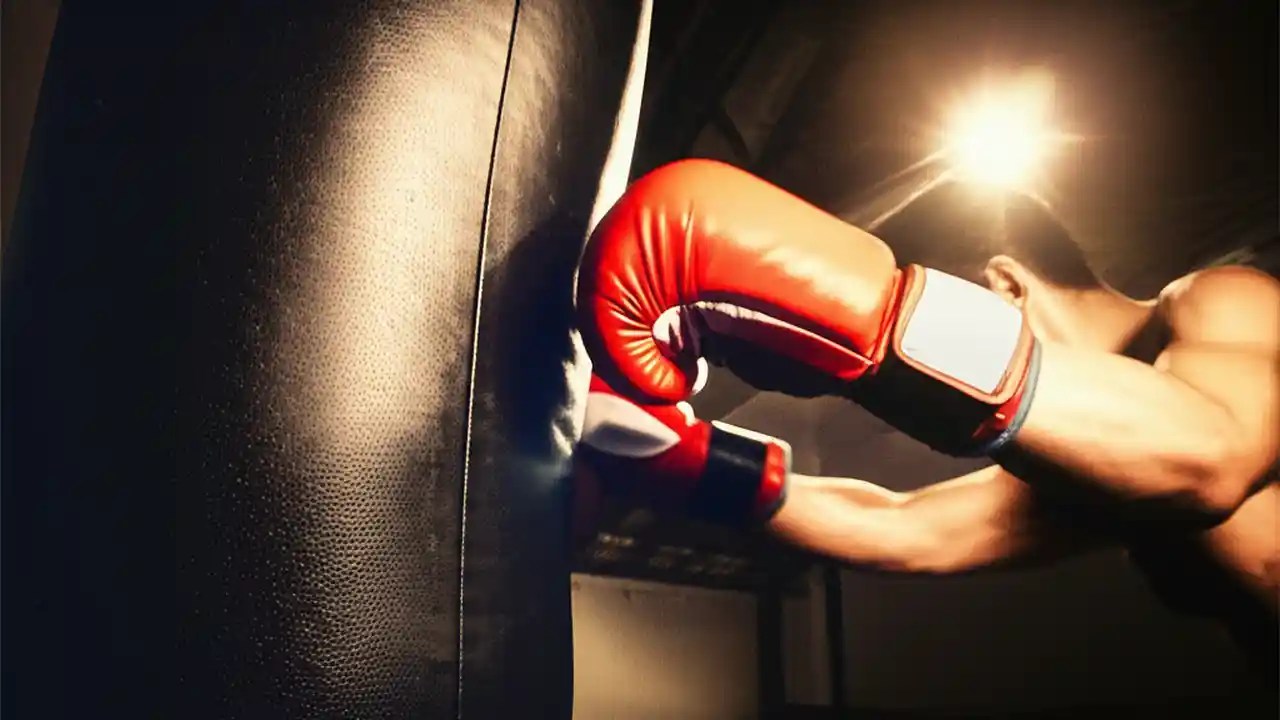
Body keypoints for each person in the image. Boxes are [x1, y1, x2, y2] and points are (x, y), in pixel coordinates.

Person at [572, 159, 1279, 688]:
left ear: (1003, 286)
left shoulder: (1224, 303)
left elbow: (1210, 455)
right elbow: (908, 530)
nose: (918, 401)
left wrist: (878, 318)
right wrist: (677, 458)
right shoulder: (1106, 464)